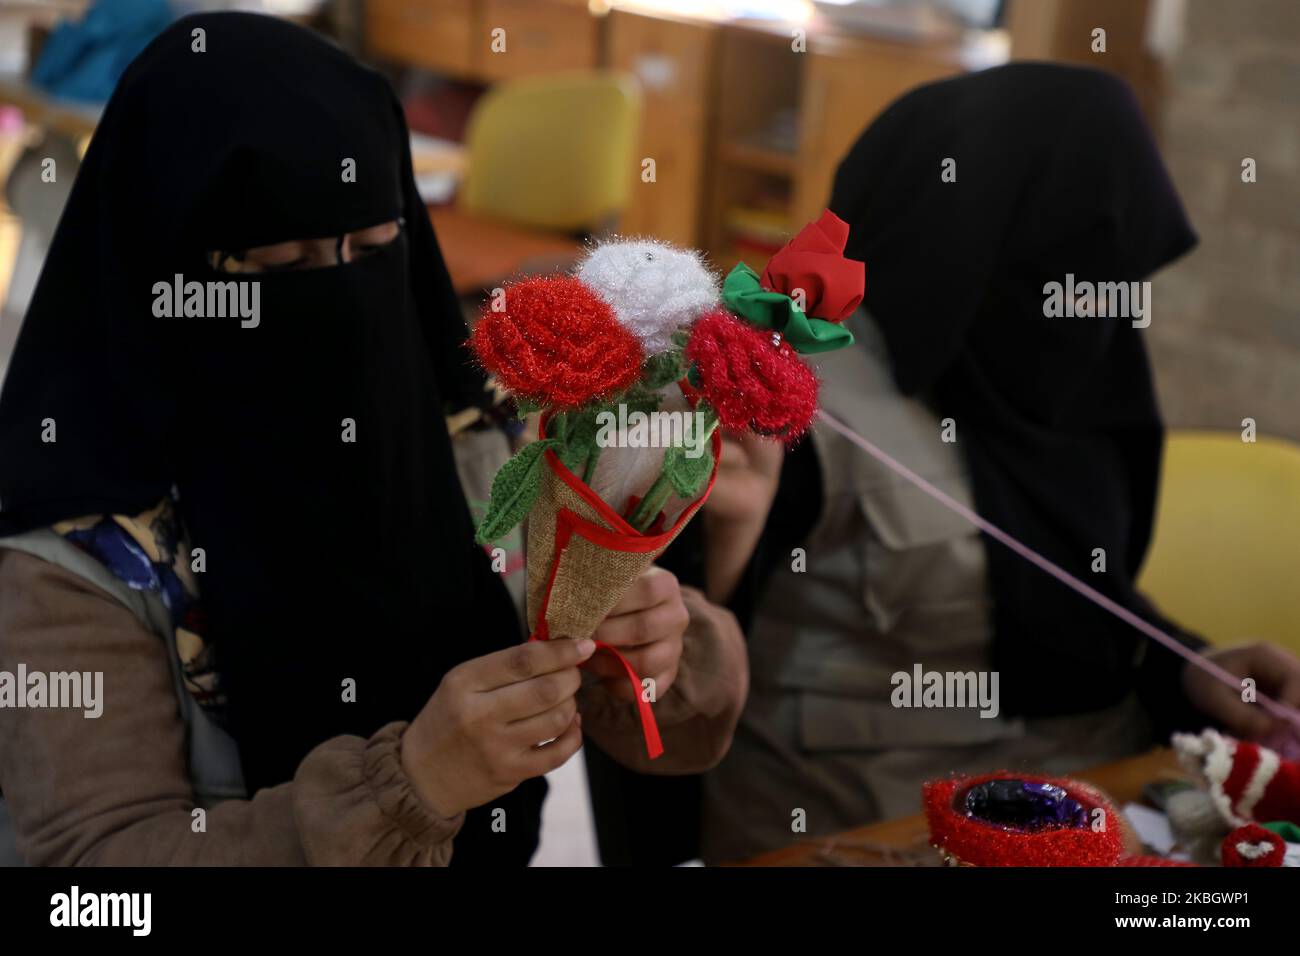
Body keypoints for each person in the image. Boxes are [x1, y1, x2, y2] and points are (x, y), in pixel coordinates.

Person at [0, 13, 747, 867]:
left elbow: (672, 737)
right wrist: (411, 784)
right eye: (281, 270)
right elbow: (96, 879)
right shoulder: (75, 557)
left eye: (378, 247)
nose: (345, 299)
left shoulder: (471, 440)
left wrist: (649, 653)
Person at [700, 63, 1300, 863]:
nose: (1096, 312)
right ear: (978, 242)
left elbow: (1073, 589)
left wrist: (1185, 665)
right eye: (1073, 269)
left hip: (1107, 809)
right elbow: (664, 667)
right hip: (873, 836)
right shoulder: (791, 406)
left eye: (1117, 282)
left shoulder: (1079, 372)